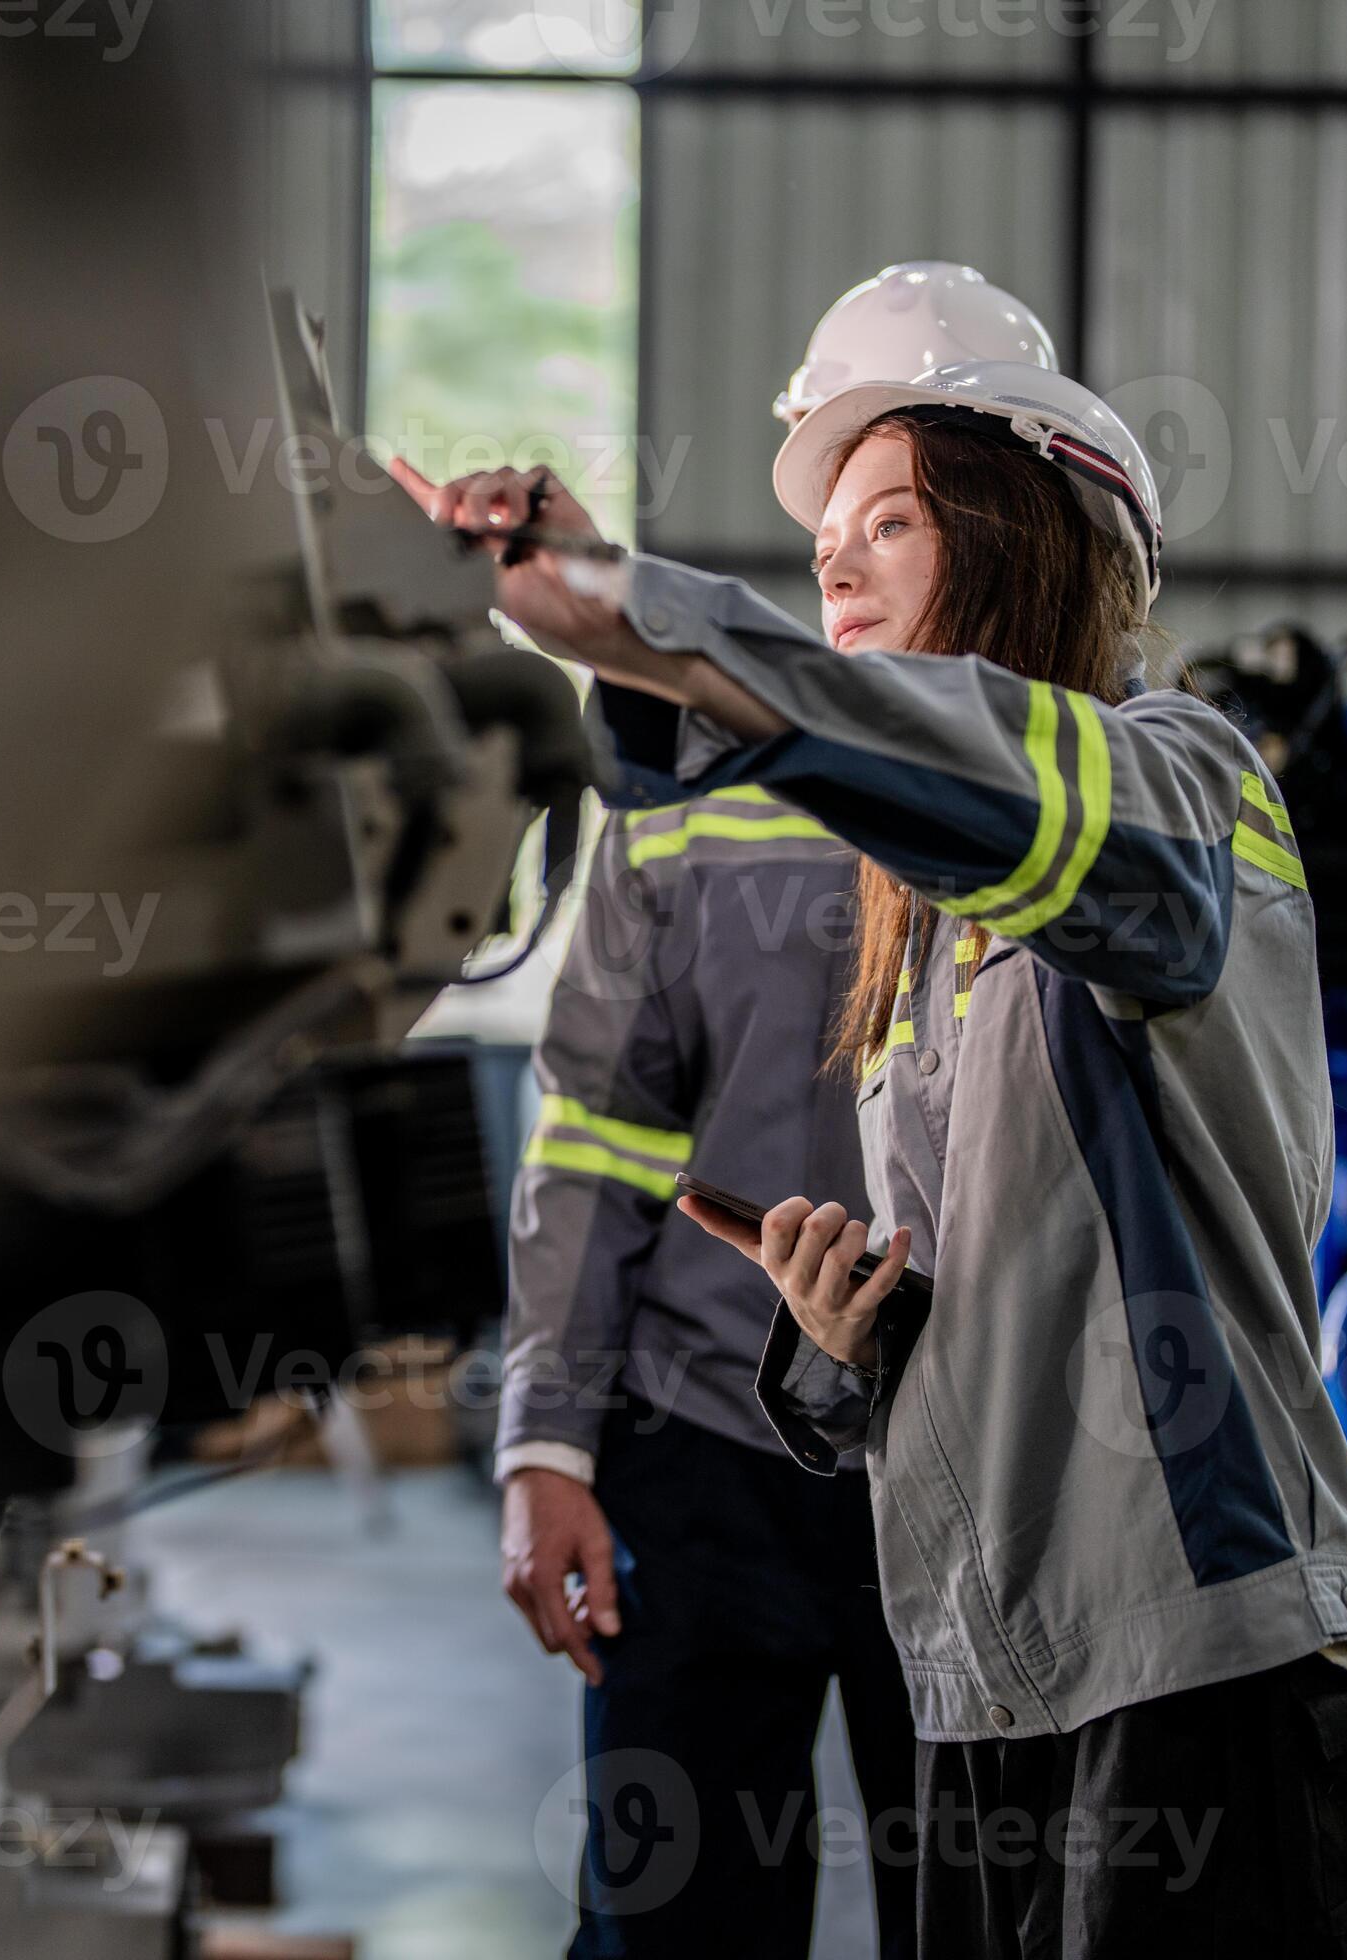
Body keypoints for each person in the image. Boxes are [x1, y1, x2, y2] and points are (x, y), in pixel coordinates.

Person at [408, 361, 1347, 1957]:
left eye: (891, 524)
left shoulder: (1183, 781)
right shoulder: (923, 935)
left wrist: (651, 622)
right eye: (823, 550)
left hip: (1189, 1666)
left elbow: (1010, 778)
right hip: (985, 1678)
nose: (837, 568)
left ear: (1022, 542)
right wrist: (845, 1335)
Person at [489, 263, 1059, 1960]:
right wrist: (546, 1443)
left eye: (889, 510)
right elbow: (595, 1128)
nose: (835, 551)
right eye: (834, 509)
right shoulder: (695, 786)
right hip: (704, 1452)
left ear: (1004, 511)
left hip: (972, 1478)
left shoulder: (1100, 793)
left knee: (981, 1928)